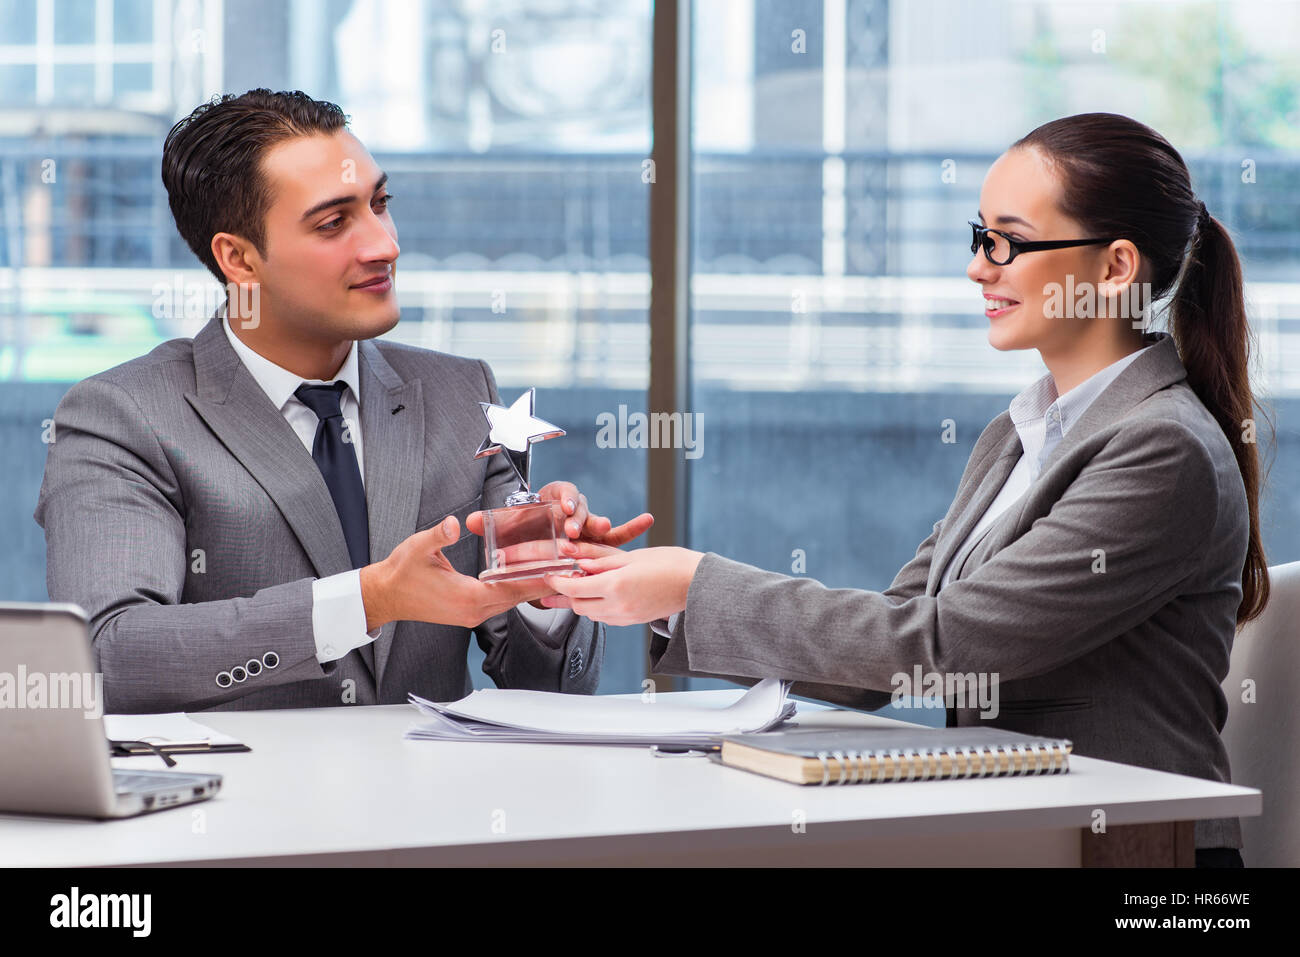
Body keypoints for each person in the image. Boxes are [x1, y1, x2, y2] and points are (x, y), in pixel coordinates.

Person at [543, 113, 1269, 868]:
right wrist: (664, 593)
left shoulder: (1164, 448)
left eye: (1008, 242)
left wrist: (695, 582)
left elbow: (949, 644)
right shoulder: (1016, 432)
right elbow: (897, 641)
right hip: (1024, 834)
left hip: (1136, 855)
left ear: (1116, 268)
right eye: (977, 236)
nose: (978, 268)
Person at [34, 89, 651, 714]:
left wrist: (541, 590)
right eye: (333, 223)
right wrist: (367, 600)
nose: (384, 245)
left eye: (380, 205)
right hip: (239, 805)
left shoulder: (464, 396)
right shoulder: (123, 415)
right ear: (238, 259)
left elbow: (552, 692)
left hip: (436, 804)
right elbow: (108, 657)